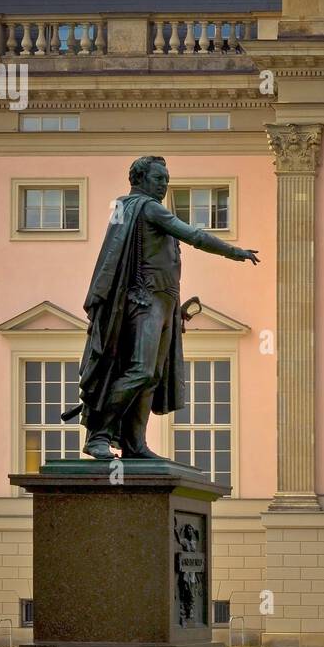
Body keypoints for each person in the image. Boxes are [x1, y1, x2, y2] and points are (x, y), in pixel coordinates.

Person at [62, 155, 258, 460]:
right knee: (141, 369)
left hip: (165, 302)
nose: (164, 185)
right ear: (140, 180)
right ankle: (99, 433)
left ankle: (134, 444)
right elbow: (193, 235)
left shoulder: (136, 210)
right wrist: (235, 252)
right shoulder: (145, 207)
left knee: (152, 373)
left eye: (166, 179)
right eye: (158, 179)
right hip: (144, 300)